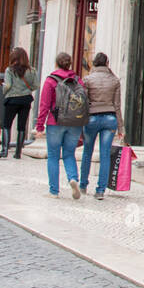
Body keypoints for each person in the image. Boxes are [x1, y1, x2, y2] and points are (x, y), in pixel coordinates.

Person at [34, 51, 85, 198]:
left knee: (53, 156)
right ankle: (73, 178)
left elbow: (44, 105)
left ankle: (54, 191)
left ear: (56, 64)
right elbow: (83, 101)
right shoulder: (78, 80)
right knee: (69, 154)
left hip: (55, 121)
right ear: (70, 64)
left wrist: (39, 126)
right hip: (74, 122)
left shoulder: (51, 80)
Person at [80, 52, 122, 200]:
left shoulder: (87, 79)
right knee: (105, 155)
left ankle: (83, 185)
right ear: (107, 63)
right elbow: (117, 105)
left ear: (94, 63)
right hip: (110, 118)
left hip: (91, 117)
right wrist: (121, 128)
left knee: (87, 152)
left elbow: (84, 103)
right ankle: (100, 190)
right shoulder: (115, 80)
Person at [0, 47, 38, 160]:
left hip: (12, 99)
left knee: (7, 124)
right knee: (22, 126)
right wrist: (27, 90)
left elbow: (8, 85)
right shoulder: (32, 70)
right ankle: (18, 152)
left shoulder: (10, 70)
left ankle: (4, 150)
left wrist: (4, 90)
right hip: (26, 100)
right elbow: (36, 85)